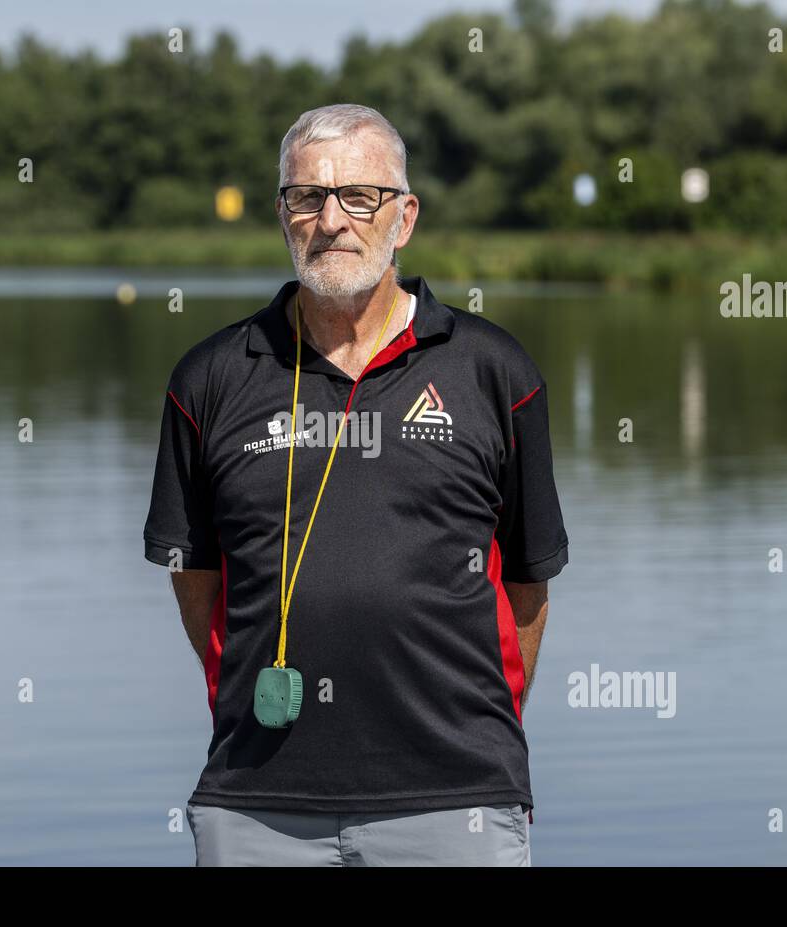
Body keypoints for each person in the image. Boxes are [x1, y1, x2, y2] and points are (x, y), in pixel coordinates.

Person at [143, 103, 568, 866]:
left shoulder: (493, 371)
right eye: (307, 196)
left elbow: (528, 587)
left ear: (403, 218)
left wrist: (473, 735)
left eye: (359, 196)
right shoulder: (208, 380)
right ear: (282, 216)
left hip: (457, 799)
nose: (331, 219)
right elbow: (197, 582)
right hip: (256, 803)